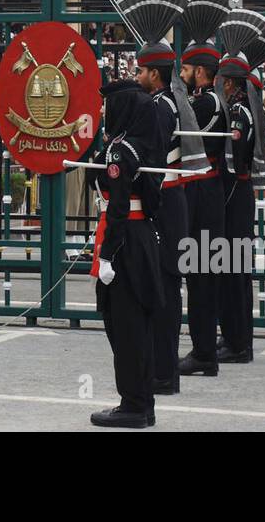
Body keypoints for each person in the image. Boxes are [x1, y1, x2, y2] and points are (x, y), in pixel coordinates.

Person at [89, 79, 166, 429]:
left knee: (124, 326)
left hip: (124, 241)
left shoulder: (120, 151)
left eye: (109, 106)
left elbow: (119, 207)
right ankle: (141, 401)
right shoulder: (142, 146)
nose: (105, 112)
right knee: (137, 325)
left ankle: (132, 404)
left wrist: (108, 254)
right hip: (142, 236)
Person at [133, 40, 188, 395]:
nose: (137, 76)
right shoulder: (169, 101)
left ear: (155, 74)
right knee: (167, 286)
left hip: (166, 201)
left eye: (140, 70)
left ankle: (164, 373)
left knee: (164, 288)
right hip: (173, 199)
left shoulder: (159, 107)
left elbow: (152, 159)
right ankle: (164, 369)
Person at [178, 42, 227, 377]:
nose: (182, 75)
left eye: (186, 69)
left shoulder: (208, 101)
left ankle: (204, 352)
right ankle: (203, 350)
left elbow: (186, 134)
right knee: (199, 275)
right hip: (203, 188)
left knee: (202, 276)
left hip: (205, 190)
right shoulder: (207, 99)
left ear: (199, 71)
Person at [216, 55, 256, 363]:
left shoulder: (239, 111)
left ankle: (239, 343)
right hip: (238, 192)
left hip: (236, 191)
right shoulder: (240, 107)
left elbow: (238, 154)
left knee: (234, 271)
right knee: (230, 270)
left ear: (229, 82)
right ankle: (233, 336)